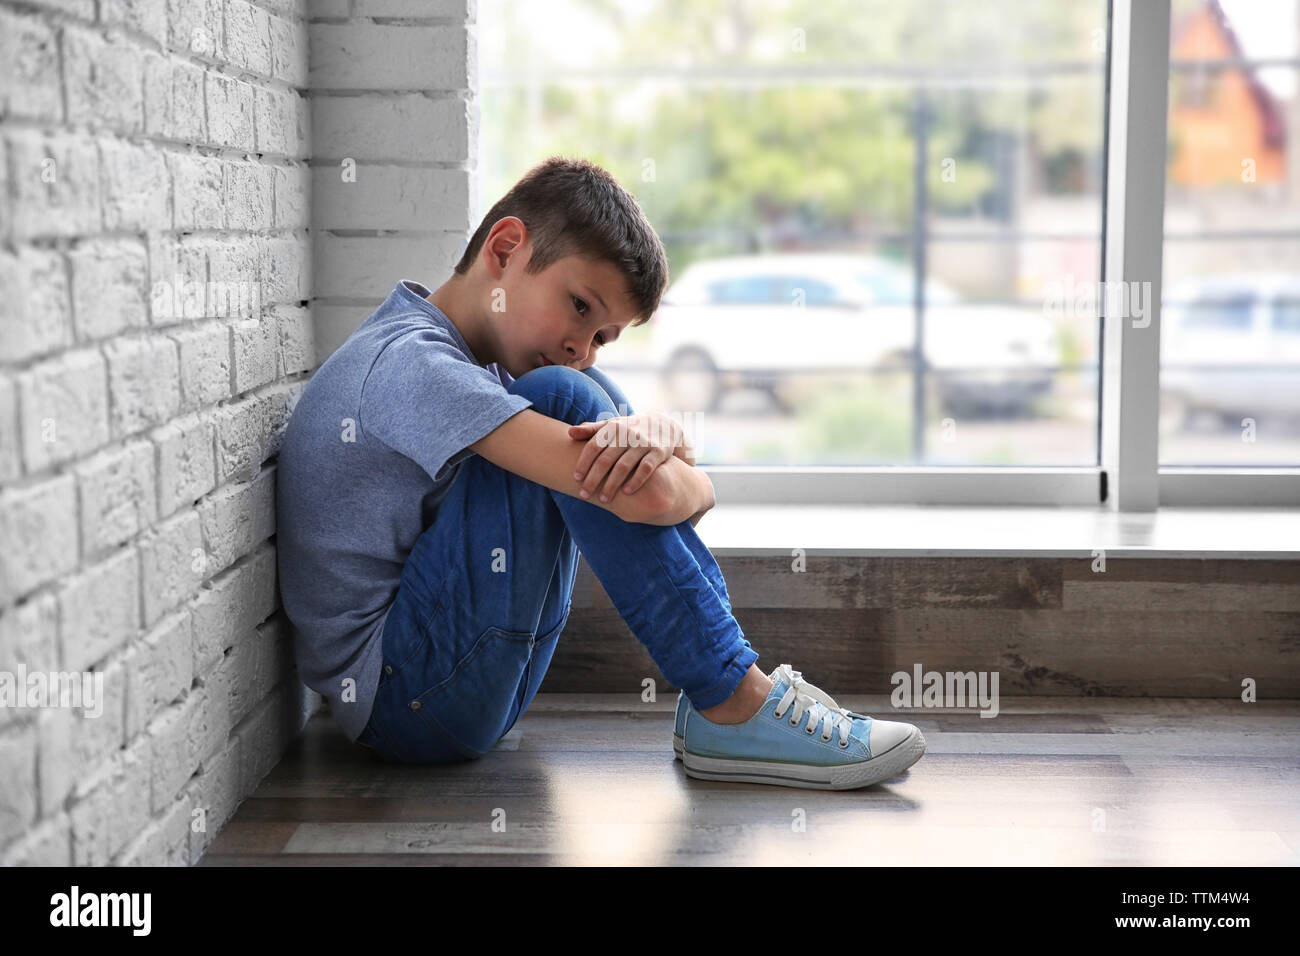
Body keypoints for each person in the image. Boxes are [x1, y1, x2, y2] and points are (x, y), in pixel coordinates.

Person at [275, 156, 926, 790]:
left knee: (578, 398)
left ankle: (728, 694)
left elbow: (682, 498)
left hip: (457, 685)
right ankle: (731, 700)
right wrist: (667, 453)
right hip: (406, 706)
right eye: (580, 307)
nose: (582, 346)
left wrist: (660, 440)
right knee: (566, 397)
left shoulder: (486, 366)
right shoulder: (410, 366)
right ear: (505, 250)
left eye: (603, 336)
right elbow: (656, 497)